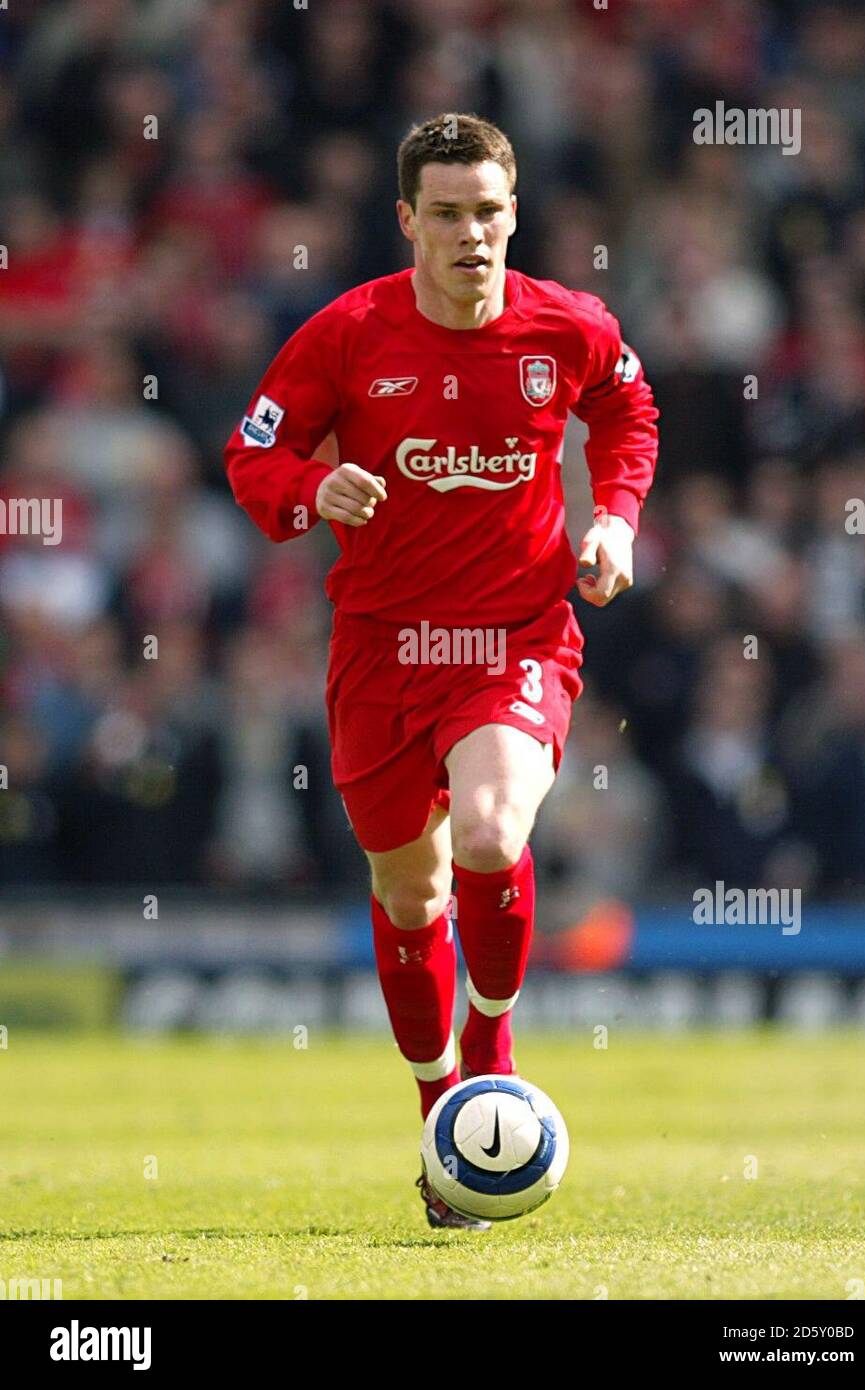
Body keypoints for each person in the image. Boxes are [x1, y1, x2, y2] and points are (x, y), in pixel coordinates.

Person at [224, 113, 658, 1228]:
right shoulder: (346, 333)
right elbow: (252, 450)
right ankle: (443, 1119)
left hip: (513, 636)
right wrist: (308, 491)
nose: (474, 234)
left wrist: (611, 520)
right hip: (379, 648)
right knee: (408, 893)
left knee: (489, 833)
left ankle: (492, 1058)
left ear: (515, 215)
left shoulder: (567, 326)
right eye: (450, 214)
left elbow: (626, 406)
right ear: (408, 220)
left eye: (491, 212)